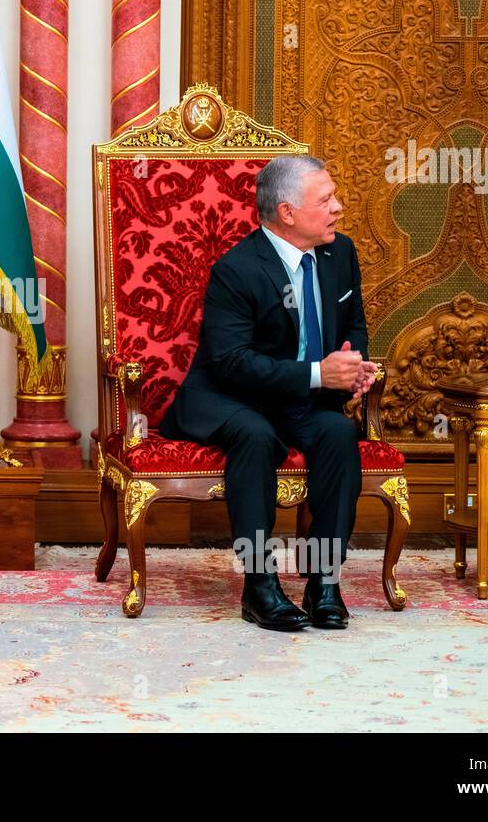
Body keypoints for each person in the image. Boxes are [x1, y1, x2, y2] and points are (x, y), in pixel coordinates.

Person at [162, 155, 378, 631]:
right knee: (255, 435)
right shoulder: (237, 270)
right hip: (229, 395)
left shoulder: (339, 254)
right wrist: (321, 375)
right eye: (326, 200)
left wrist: (352, 365)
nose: (338, 208)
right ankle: (259, 586)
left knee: (338, 435)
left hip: (299, 399)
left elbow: (354, 324)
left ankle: (324, 583)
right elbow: (232, 363)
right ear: (287, 212)